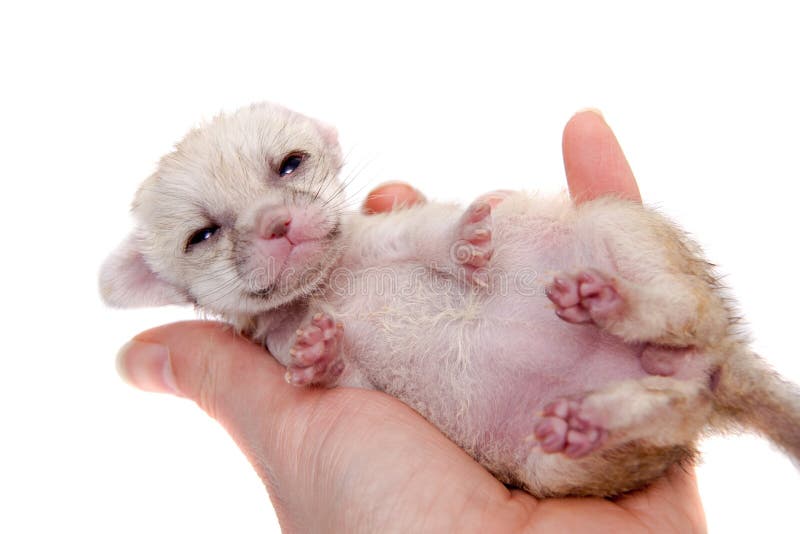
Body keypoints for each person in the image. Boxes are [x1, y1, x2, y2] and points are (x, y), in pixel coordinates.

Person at [116, 110, 706, 532]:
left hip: (584, 332)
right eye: (205, 235)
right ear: (160, 282)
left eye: (291, 166)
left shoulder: (373, 238)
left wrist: (454, 241)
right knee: (561, 458)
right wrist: (334, 366)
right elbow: (366, 400)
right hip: (542, 433)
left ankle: (667, 343)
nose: (272, 220)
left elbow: (421, 238)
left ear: (329, 150)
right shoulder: (286, 349)